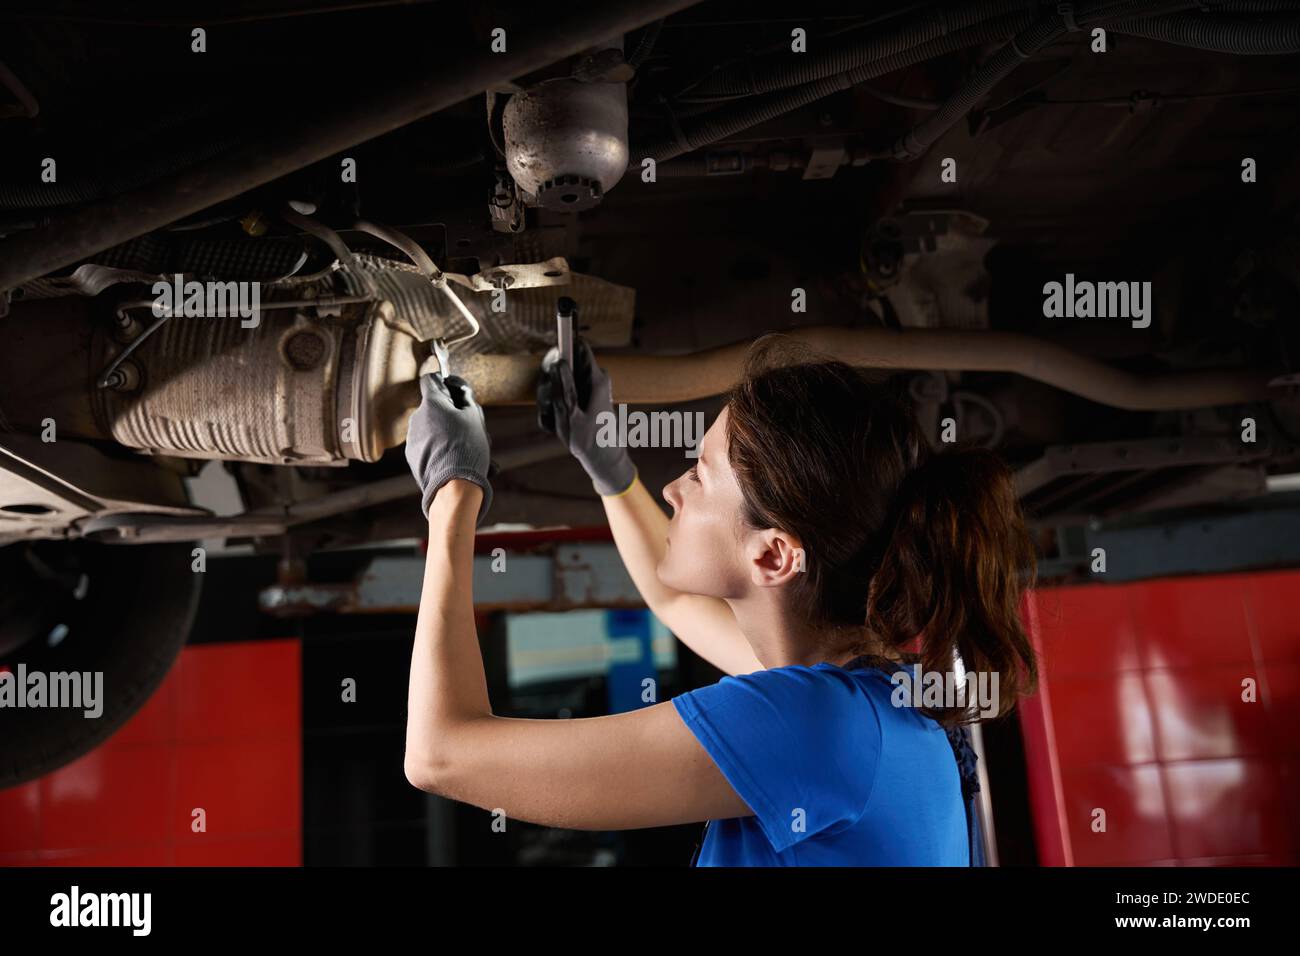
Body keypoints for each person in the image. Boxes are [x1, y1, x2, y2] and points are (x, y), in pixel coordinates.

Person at [402, 334, 1037, 865]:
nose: (674, 488)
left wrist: (453, 497)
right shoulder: (866, 707)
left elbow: (441, 754)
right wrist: (607, 467)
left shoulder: (821, 723)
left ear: (773, 556)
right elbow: (675, 603)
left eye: (700, 475)